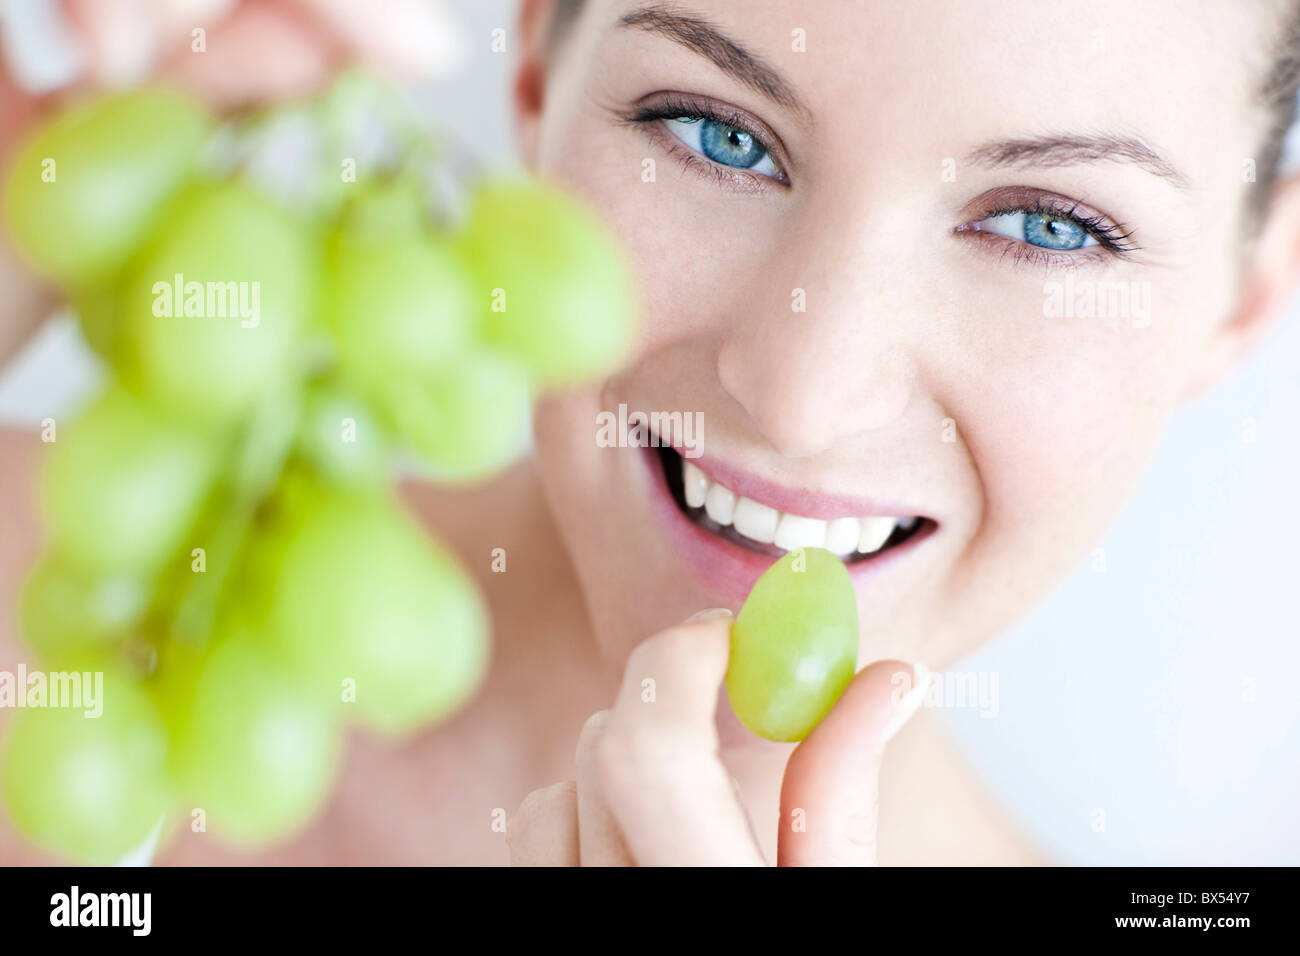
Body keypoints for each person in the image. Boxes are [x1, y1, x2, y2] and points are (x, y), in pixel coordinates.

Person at [2, 0, 1299, 865]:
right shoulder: (49, 614)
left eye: (1050, 226)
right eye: (716, 133)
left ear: (1246, 294)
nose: (801, 393)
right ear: (531, 78)